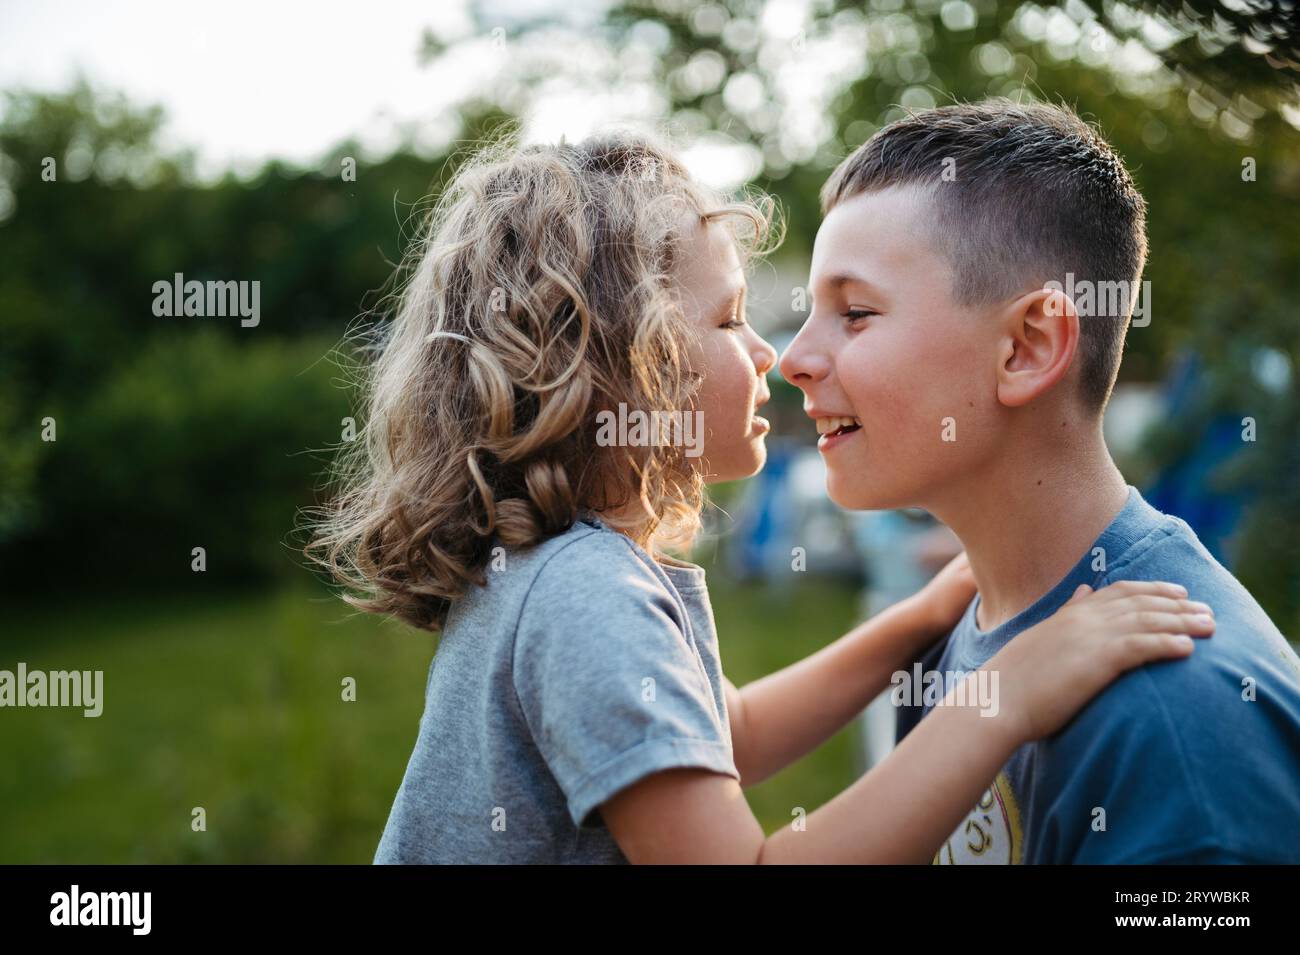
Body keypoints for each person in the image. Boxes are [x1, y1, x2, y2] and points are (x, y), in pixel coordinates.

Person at [304, 130, 1213, 864]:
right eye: (731, 319)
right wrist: (1004, 697)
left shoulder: (571, 571)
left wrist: (919, 618)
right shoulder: (583, 595)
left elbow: (723, 734)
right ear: (626, 364)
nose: (777, 353)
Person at [780, 99, 1300, 864]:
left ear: (1027, 346)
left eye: (855, 312)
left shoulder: (1181, 727)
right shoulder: (961, 627)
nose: (792, 357)